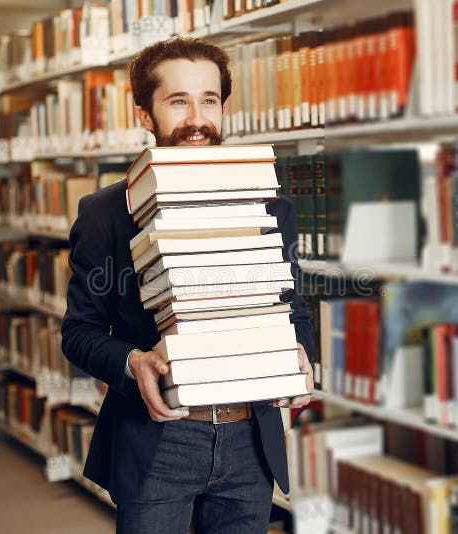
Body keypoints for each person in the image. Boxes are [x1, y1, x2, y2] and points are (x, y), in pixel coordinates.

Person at [61, 37, 315, 533]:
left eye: (209, 100)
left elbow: (294, 310)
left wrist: (301, 352)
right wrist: (133, 362)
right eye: (178, 101)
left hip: (249, 440)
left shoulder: (272, 207)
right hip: (159, 438)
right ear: (143, 114)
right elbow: (79, 334)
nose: (197, 118)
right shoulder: (105, 215)